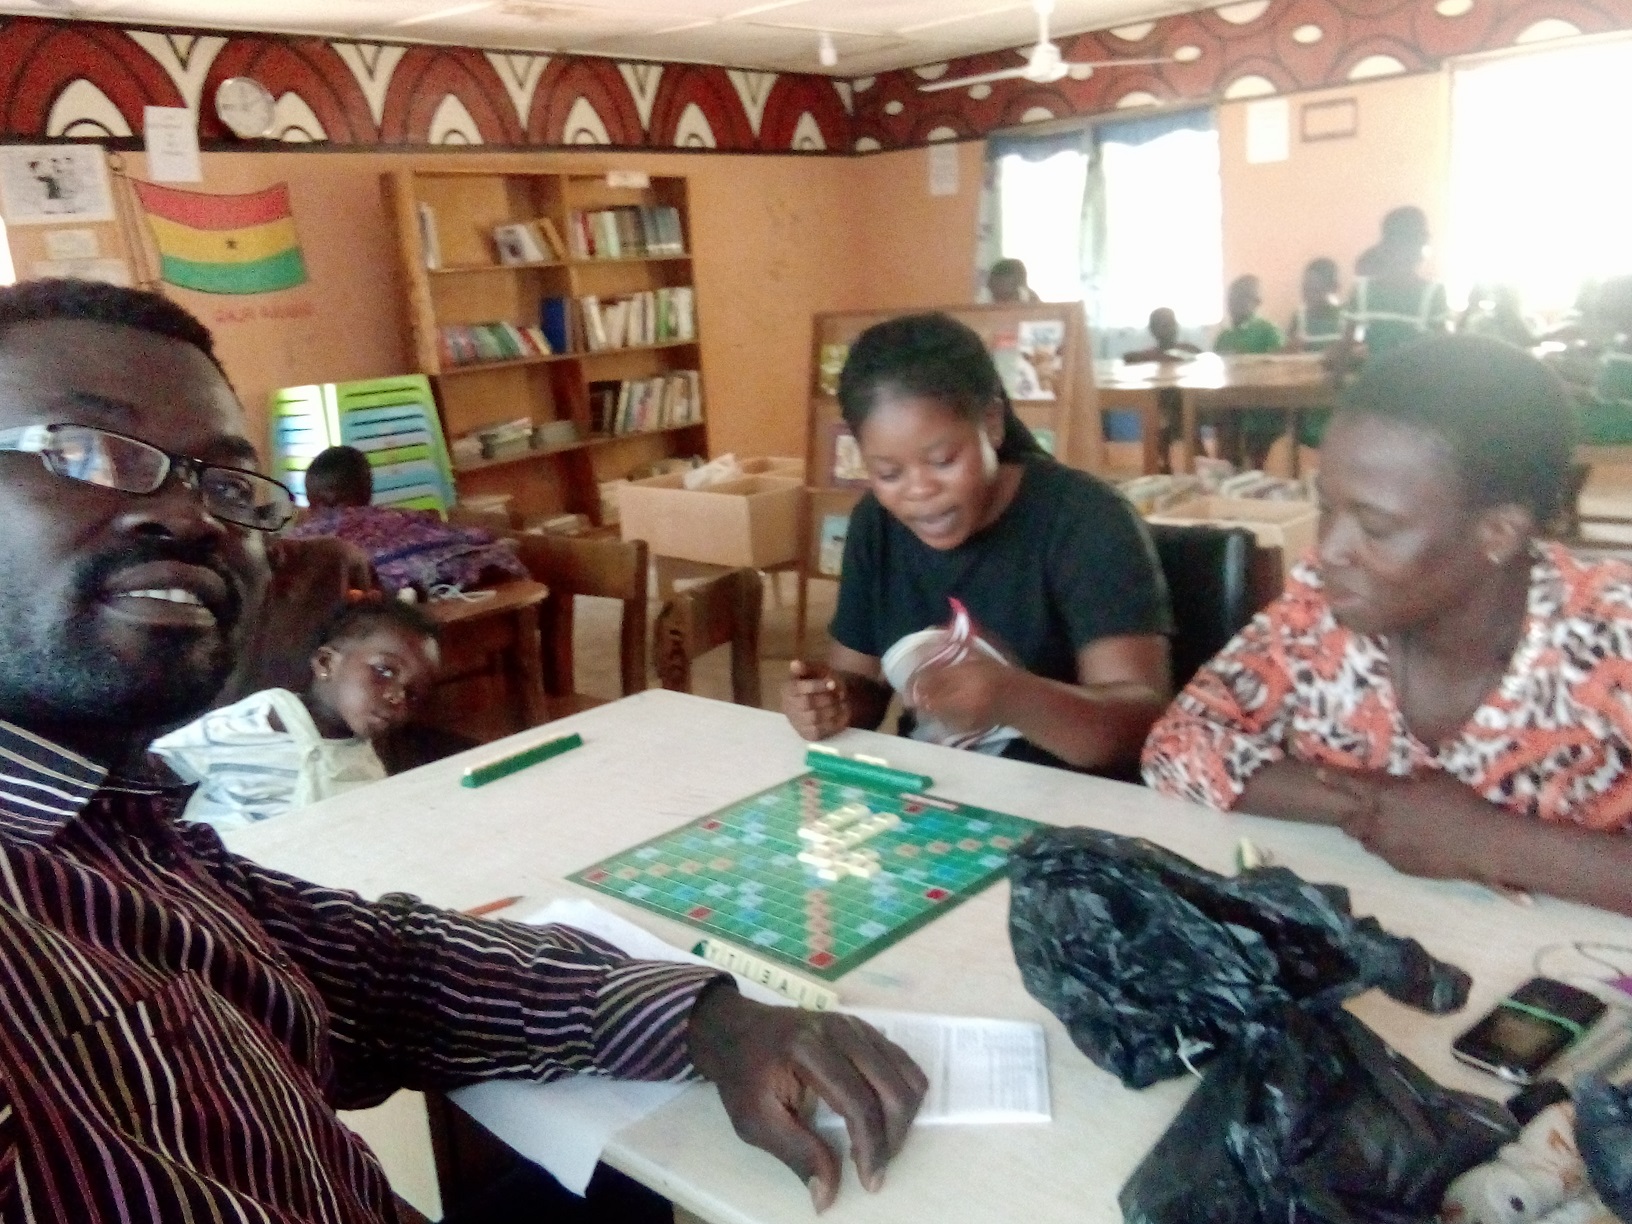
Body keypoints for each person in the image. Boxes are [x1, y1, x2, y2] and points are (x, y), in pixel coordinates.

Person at [0, 278, 926, 1220]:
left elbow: (378, 968)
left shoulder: (119, 826)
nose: (192, 517)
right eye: (87, 452)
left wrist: (703, 1016)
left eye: (226, 484)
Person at [1142, 334, 1632, 916]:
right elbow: (1178, 745)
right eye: (1327, 508)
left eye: (1374, 528)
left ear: (1497, 533)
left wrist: (1486, 841)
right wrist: (1379, 807)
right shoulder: (1321, 612)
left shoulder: (1609, 634)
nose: (1330, 549)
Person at [783, 312, 1172, 777]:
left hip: (1073, 810)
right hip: (938, 797)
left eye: (943, 460)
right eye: (888, 473)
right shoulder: (876, 524)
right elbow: (861, 687)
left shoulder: (1085, 520)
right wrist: (832, 702)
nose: (919, 490)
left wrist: (1015, 697)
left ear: (991, 423)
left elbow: (1143, 726)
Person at [152, 598, 441, 829]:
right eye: (384, 671)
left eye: (412, 693)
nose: (396, 696)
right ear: (326, 663)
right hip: (219, 877)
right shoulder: (262, 718)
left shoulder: (366, 768)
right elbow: (156, 767)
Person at [286, 444, 529, 596]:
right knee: (499, 550)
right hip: (440, 596)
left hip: (366, 618)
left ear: (310, 498)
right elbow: (473, 536)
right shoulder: (399, 517)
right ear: (367, 489)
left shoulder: (294, 543)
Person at [1332, 205, 1449, 370]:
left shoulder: (1433, 293)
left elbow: (1442, 350)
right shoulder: (1362, 291)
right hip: (1377, 386)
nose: (1406, 252)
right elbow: (1345, 346)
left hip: (1411, 387)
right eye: (1400, 243)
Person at [1213, 274, 1286, 469]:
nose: (1234, 304)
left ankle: (1253, 471)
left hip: (1261, 404)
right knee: (1221, 422)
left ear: (1256, 301)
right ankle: (1227, 471)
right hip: (1231, 403)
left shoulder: (1268, 330)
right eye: (1231, 299)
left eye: (1241, 298)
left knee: (1256, 446)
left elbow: (1278, 365)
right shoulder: (1224, 336)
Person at [1286, 258, 1343, 353]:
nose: (1308, 295)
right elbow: (1285, 355)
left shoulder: (1345, 316)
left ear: (1334, 288)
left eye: (1315, 290)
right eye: (1305, 289)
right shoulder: (1299, 317)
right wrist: (1292, 347)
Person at [1123, 306, 1202, 364]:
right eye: (1165, 325)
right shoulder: (1147, 355)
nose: (1171, 329)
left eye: (1173, 324)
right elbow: (1128, 358)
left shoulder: (1189, 349)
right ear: (1152, 330)